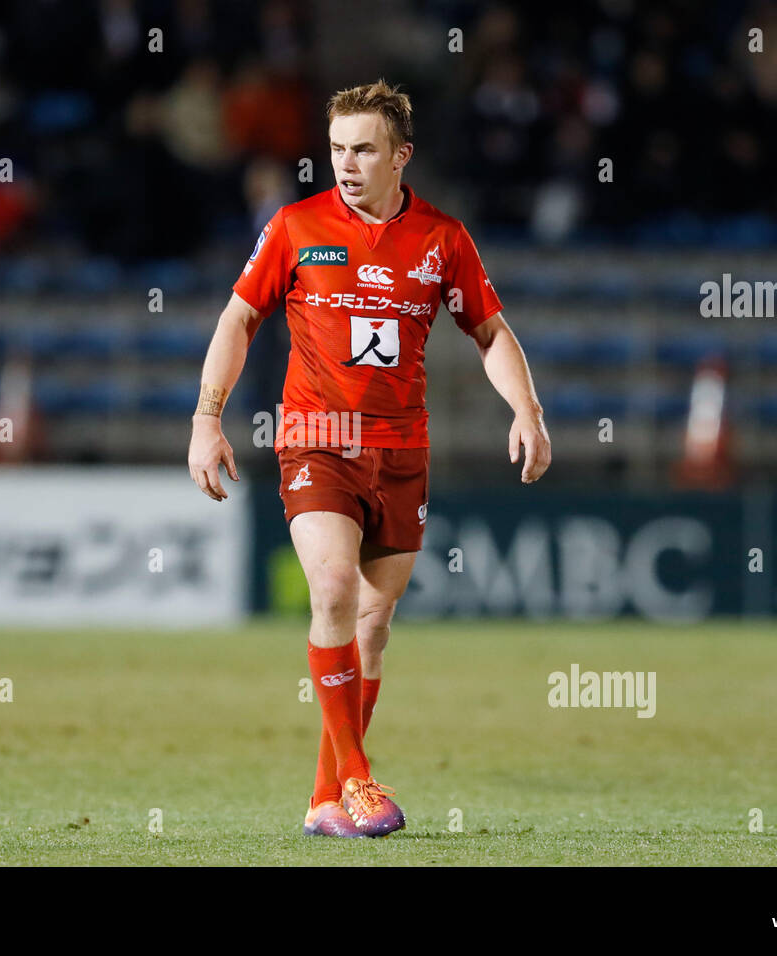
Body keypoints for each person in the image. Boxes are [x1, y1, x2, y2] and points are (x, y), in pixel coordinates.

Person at [187, 79, 551, 837]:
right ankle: (357, 779)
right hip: (317, 441)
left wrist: (528, 411)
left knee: (374, 628)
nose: (345, 165)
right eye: (335, 150)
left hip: (402, 451)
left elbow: (490, 333)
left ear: (400, 157)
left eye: (362, 150)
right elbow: (238, 317)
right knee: (332, 594)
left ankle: (325, 801)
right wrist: (206, 418)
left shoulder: (443, 239)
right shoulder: (294, 227)